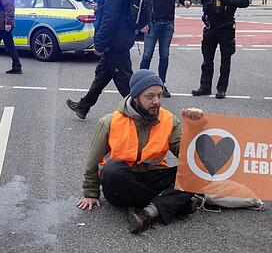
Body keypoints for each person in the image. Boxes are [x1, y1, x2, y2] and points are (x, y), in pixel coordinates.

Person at [77, 69, 204, 233]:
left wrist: (194, 129)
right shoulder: (110, 121)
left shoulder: (169, 120)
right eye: (150, 96)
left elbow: (188, 156)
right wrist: (91, 193)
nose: (156, 101)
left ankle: (149, 212)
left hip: (152, 176)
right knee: (111, 170)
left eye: (159, 95)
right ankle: (171, 203)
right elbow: (93, 160)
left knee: (194, 173)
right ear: (135, 97)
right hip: (121, 183)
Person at [66, 0, 135, 120]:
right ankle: (83, 106)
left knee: (124, 82)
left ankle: (143, 115)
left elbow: (111, 16)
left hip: (115, 41)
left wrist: (101, 43)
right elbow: (112, 9)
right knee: (102, 74)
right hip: (119, 37)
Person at [192, 0, 249, 99]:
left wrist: (228, 0)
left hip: (226, 27)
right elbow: (210, 2)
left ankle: (221, 89)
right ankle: (205, 87)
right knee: (207, 59)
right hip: (211, 27)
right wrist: (206, 6)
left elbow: (245, 1)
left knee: (225, 59)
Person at [141, 0, 191, 97]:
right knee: (147, 55)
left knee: (164, 56)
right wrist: (143, 22)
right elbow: (141, 0)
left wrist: (186, 1)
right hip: (152, 22)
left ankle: (161, 86)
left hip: (168, 22)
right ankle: (142, 84)